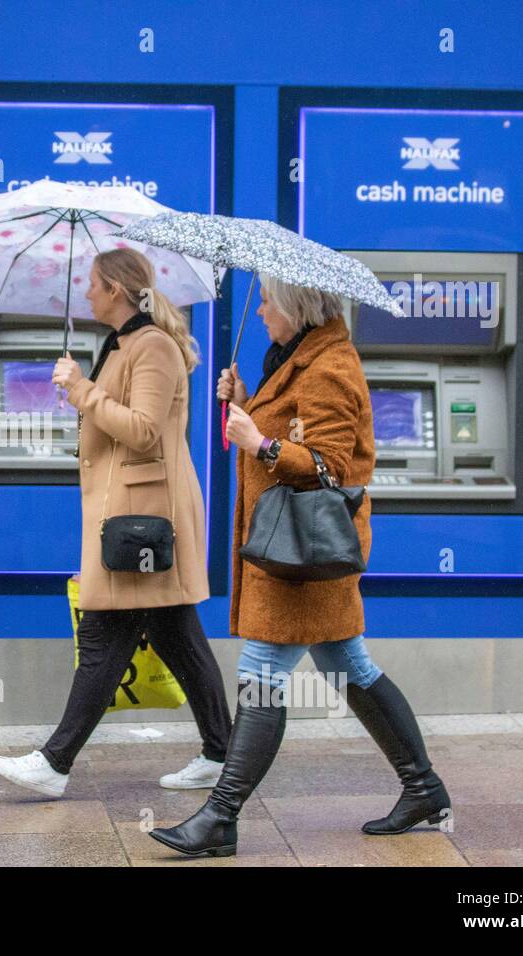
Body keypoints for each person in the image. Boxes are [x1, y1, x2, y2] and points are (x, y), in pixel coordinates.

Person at [149, 276, 452, 857]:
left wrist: (256, 441)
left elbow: (332, 465)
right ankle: (424, 787)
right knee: (350, 665)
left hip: (306, 553)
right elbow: (293, 430)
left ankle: (220, 816)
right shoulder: (298, 357)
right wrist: (244, 404)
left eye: (268, 301)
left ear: (295, 307)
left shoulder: (330, 367)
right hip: (296, 549)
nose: (260, 310)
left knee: (262, 669)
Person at [0, 247, 232, 796]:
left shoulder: (154, 347)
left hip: (142, 516)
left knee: (104, 632)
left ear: (117, 290)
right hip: (130, 511)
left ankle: (54, 763)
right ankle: (222, 753)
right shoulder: (123, 343)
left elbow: (144, 429)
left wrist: (82, 390)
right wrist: (85, 391)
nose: (87, 293)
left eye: (93, 285)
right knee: (176, 634)